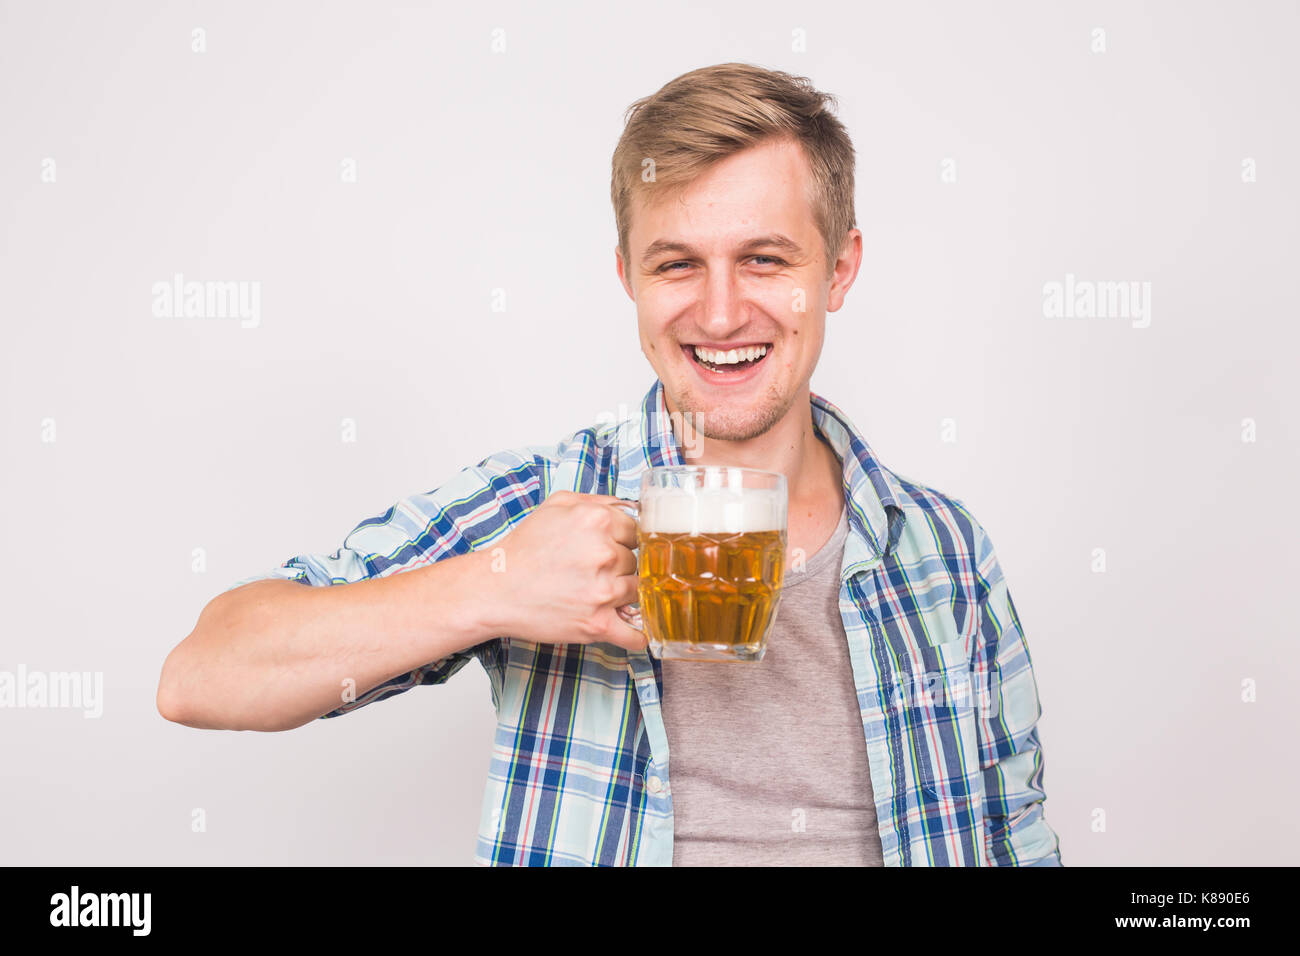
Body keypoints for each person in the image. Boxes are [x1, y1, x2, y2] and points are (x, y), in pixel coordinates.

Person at [157, 62, 1063, 867]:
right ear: (627, 274)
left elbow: (1017, 830)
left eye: (763, 259)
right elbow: (203, 674)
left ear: (837, 271)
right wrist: (495, 586)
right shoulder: (547, 504)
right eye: (677, 265)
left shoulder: (946, 550)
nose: (718, 312)